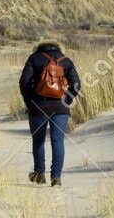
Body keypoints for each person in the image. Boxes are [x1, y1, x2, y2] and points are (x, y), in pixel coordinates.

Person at [19, 41, 80, 186]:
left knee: (38, 141)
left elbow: (23, 82)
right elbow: (76, 84)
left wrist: (30, 103)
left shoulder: (34, 58)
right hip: (60, 107)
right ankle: (56, 177)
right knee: (57, 141)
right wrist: (67, 100)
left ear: (39, 47)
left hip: (38, 105)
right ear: (59, 48)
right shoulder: (65, 60)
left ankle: (40, 174)